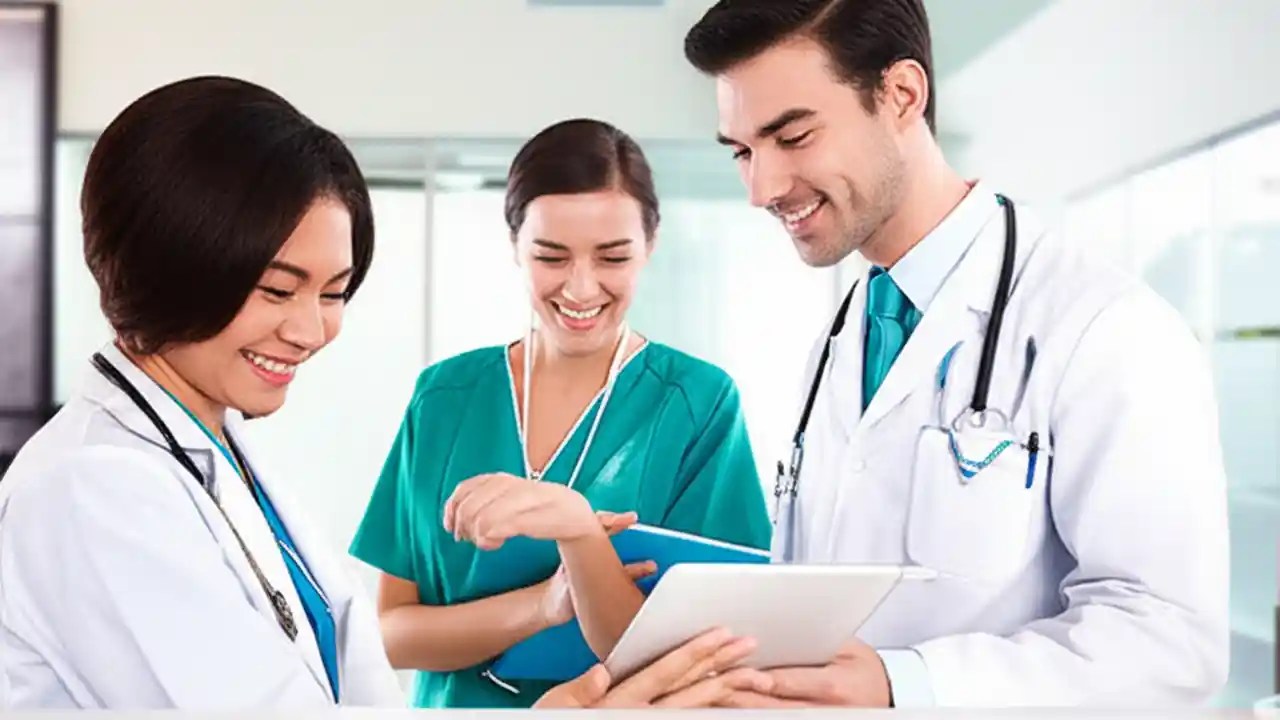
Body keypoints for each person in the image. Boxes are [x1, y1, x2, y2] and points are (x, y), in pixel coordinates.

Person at [0, 76, 768, 712]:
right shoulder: (95, 488)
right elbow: (377, 641)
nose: (312, 331)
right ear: (173, 262)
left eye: (334, 292)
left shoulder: (213, 451)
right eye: (278, 290)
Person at [668, 0, 1230, 708]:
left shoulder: (1105, 326)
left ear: (902, 95)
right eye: (743, 152)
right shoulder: (840, 341)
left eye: (794, 137)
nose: (763, 189)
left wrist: (905, 683)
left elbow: (1170, 642)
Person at [348, 118, 773, 708]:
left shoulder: (697, 403)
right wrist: (541, 607)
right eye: (551, 257)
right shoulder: (444, 397)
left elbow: (701, 653)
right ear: (515, 246)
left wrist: (579, 531)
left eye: (612, 258)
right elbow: (391, 634)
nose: (581, 289)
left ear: (650, 245)